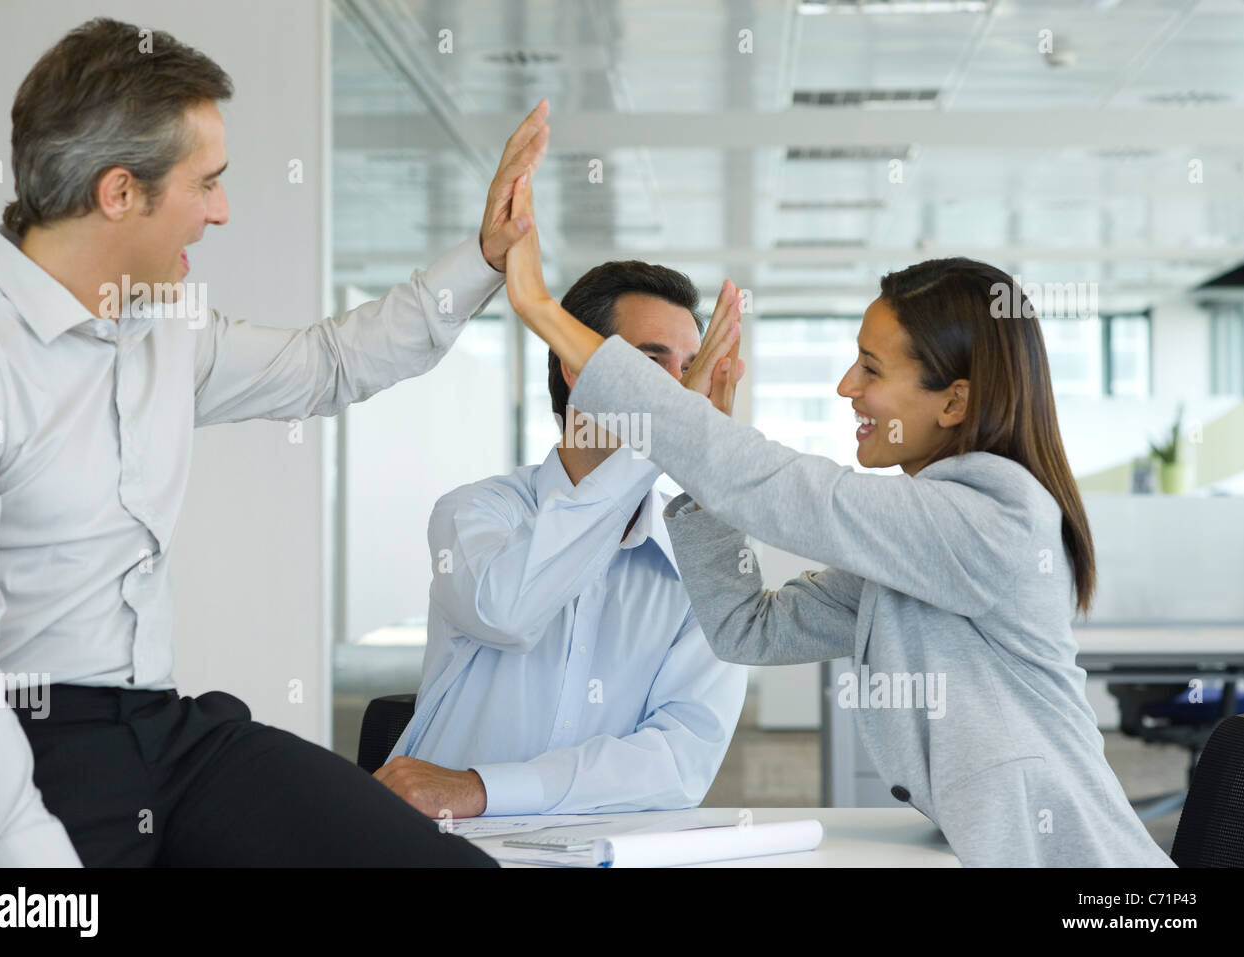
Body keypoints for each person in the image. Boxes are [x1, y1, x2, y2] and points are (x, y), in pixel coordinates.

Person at [0, 18, 549, 867]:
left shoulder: (164, 331)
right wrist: (20, 848)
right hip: (25, 745)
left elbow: (328, 363)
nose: (222, 211)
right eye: (207, 182)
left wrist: (486, 257)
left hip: (170, 735)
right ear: (120, 192)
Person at [498, 167, 1176, 867]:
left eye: (871, 369)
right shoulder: (915, 550)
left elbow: (788, 489)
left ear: (953, 402)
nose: (846, 387)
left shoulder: (993, 518)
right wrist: (702, 485)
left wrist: (544, 309)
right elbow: (748, 629)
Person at [374, 262, 748, 817]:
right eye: (651, 363)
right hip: (445, 847)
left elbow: (679, 761)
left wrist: (482, 789)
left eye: (690, 372)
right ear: (578, 368)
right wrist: (663, 438)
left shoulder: (699, 556)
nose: (678, 393)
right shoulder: (476, 513)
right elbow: (507, 609)